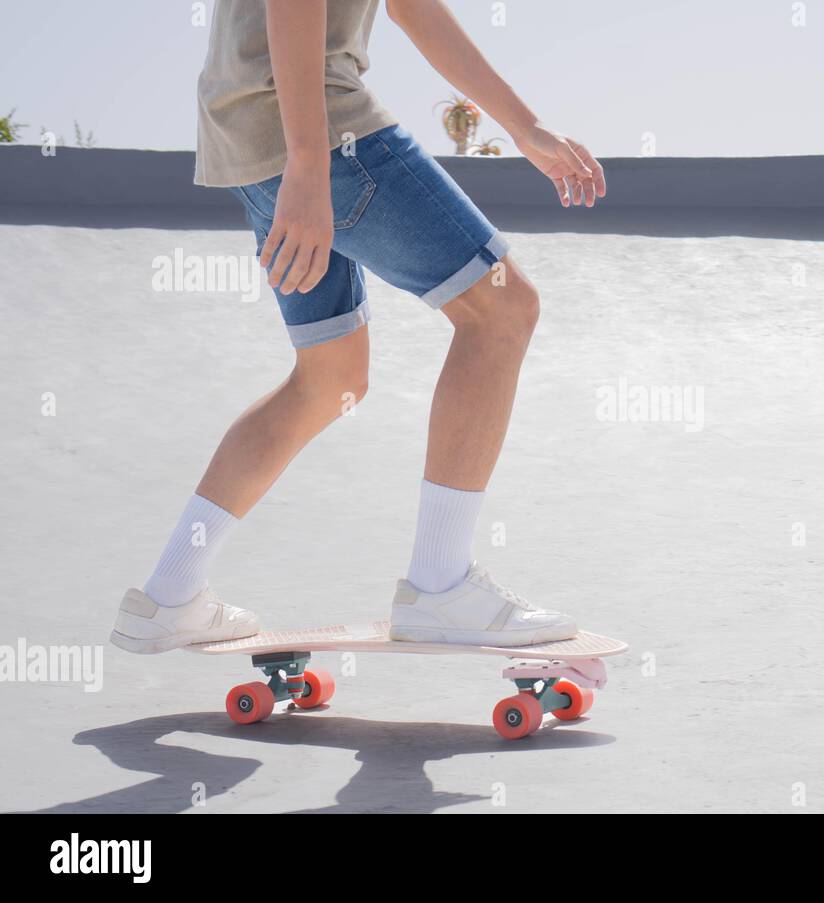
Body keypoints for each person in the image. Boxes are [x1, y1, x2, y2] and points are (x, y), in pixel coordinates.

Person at [111, 0, 605, 653]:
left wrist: (526, 128)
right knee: (501, 310)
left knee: (329, 377)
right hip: (317, 128)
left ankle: (168, 597)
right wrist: (311, 166)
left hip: (250, 134)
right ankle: (440, 587)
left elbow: (412, 8)